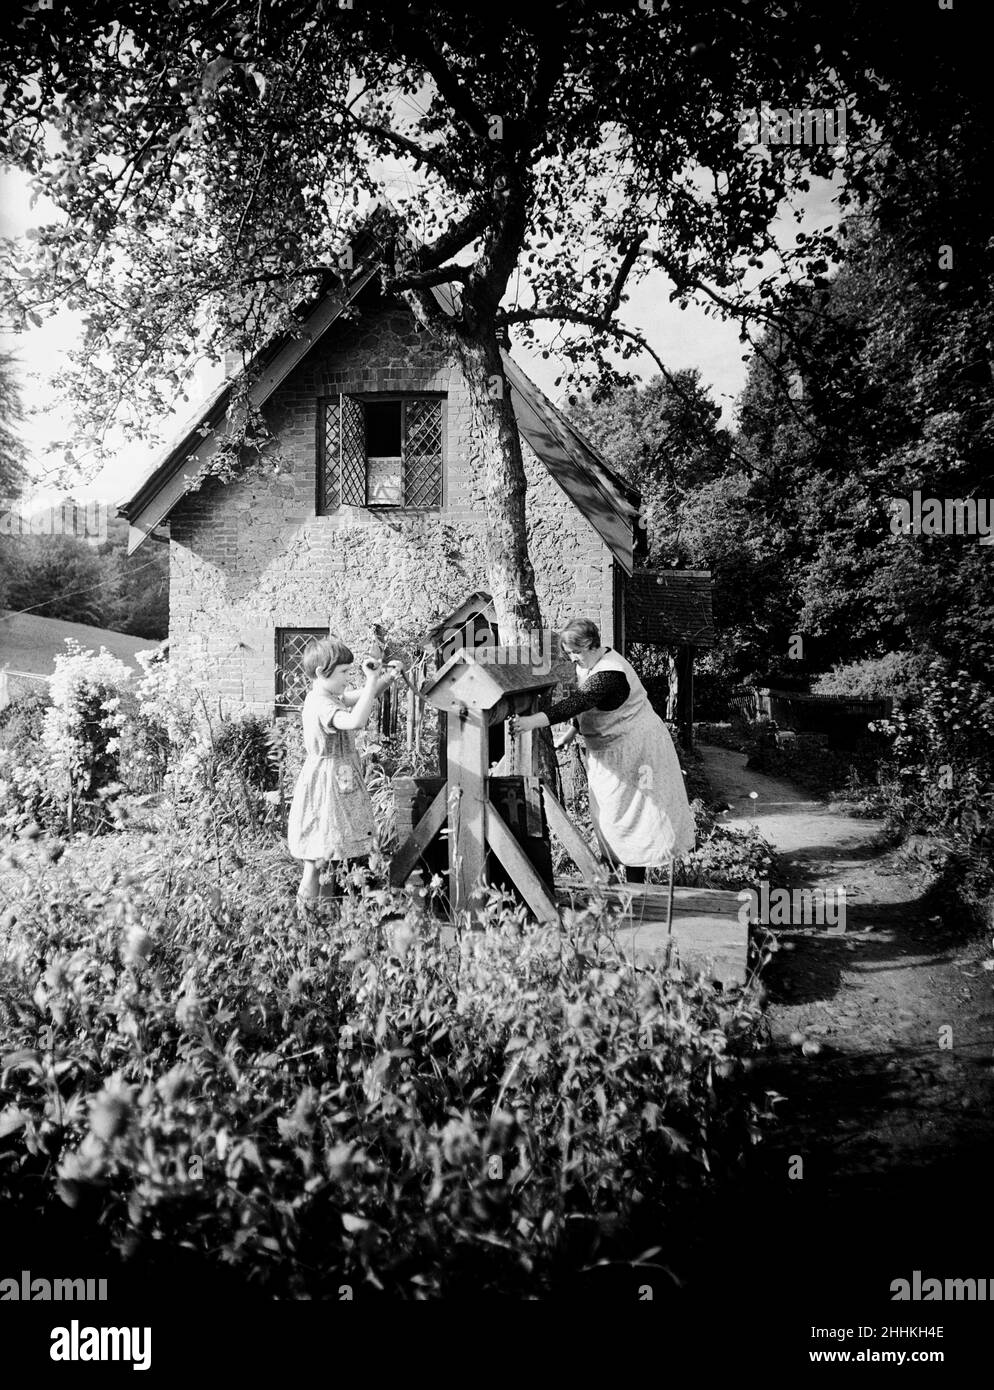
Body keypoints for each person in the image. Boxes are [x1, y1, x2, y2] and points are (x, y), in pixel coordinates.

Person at [509, 617, 695, 881]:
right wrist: (573, 732)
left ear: (591, 645)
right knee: (610, 815)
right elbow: (589, 707)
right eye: (569, 653)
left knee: (637, 817)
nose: (573, 658)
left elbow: (579, 701)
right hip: (611, 750)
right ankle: (608, 875)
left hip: (638, 750)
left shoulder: (610, 672)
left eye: (575, 652)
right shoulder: (591, 663)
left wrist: (530, 722)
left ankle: (635, 886)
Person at [287, 636, 399, 911]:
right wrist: (372, 680)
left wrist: (386, 678)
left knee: (330, 858)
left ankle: (324, 918)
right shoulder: (321, 704)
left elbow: (357, 696)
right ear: (320, 673)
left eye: (350, 672)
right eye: (344, 673)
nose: (349, 678)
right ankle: (305, 923)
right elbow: (355, 720)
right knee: (315, 862)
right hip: (325, 789)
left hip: (338, 782)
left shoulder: (329, 695)